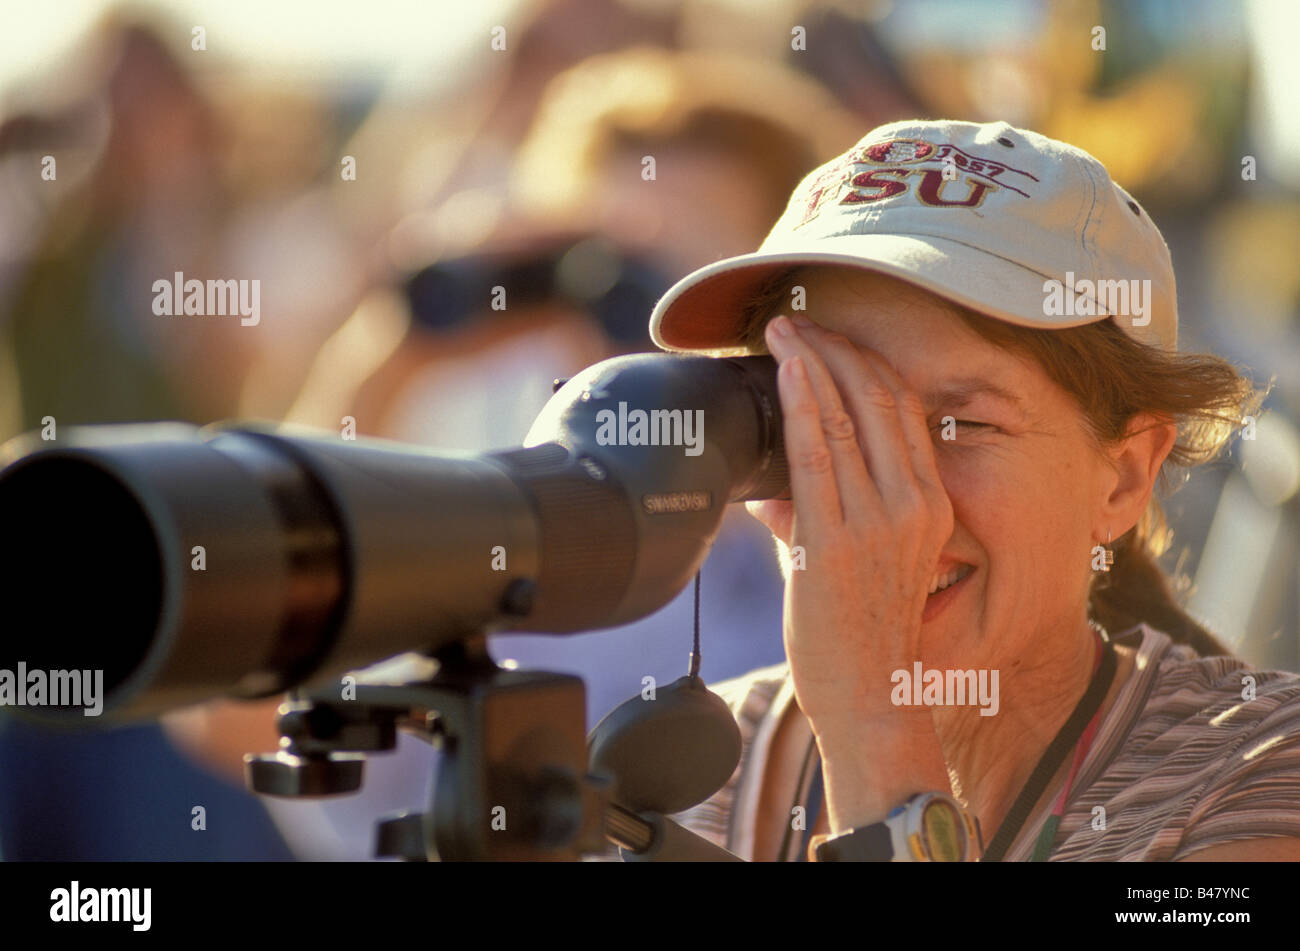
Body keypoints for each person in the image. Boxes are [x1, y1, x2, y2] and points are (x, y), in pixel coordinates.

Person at [650, 119, 1300, 861]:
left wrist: (875, 715)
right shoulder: (704, 775)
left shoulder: (1255, 776)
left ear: (1123, 478)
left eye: (960, 423)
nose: (900, 500)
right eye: (828, 413)